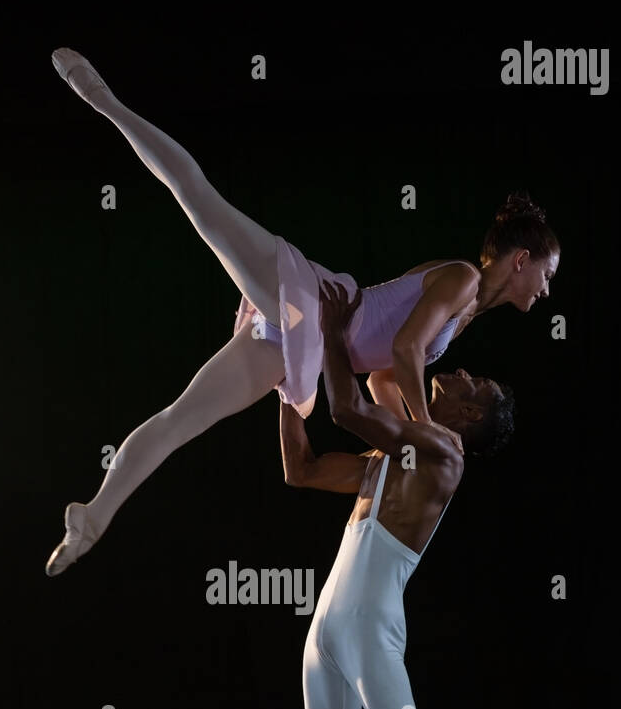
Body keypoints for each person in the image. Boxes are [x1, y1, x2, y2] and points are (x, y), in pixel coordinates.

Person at [45, 47, 556, 576]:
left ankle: (91, 518)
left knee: (183, 420)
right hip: (315, 300)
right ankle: (101, 98)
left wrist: (397, 426)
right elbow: (404, 351)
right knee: (200, 202)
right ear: (522, 260)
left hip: (303, 346)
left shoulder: (466, 311)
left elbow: (384, 374)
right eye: (548, 275)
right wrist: (420, 430)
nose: (546, 289)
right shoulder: (464, 279)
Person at [262, 281, 514, 709]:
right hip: (327, 635)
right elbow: (302, 469)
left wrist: (336, 326)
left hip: (372, 633)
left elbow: (350, 401)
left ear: (466, 418)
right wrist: (286, 394)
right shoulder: (387, 459)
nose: (457, 371)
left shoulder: (444, 457)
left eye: (471, 383)